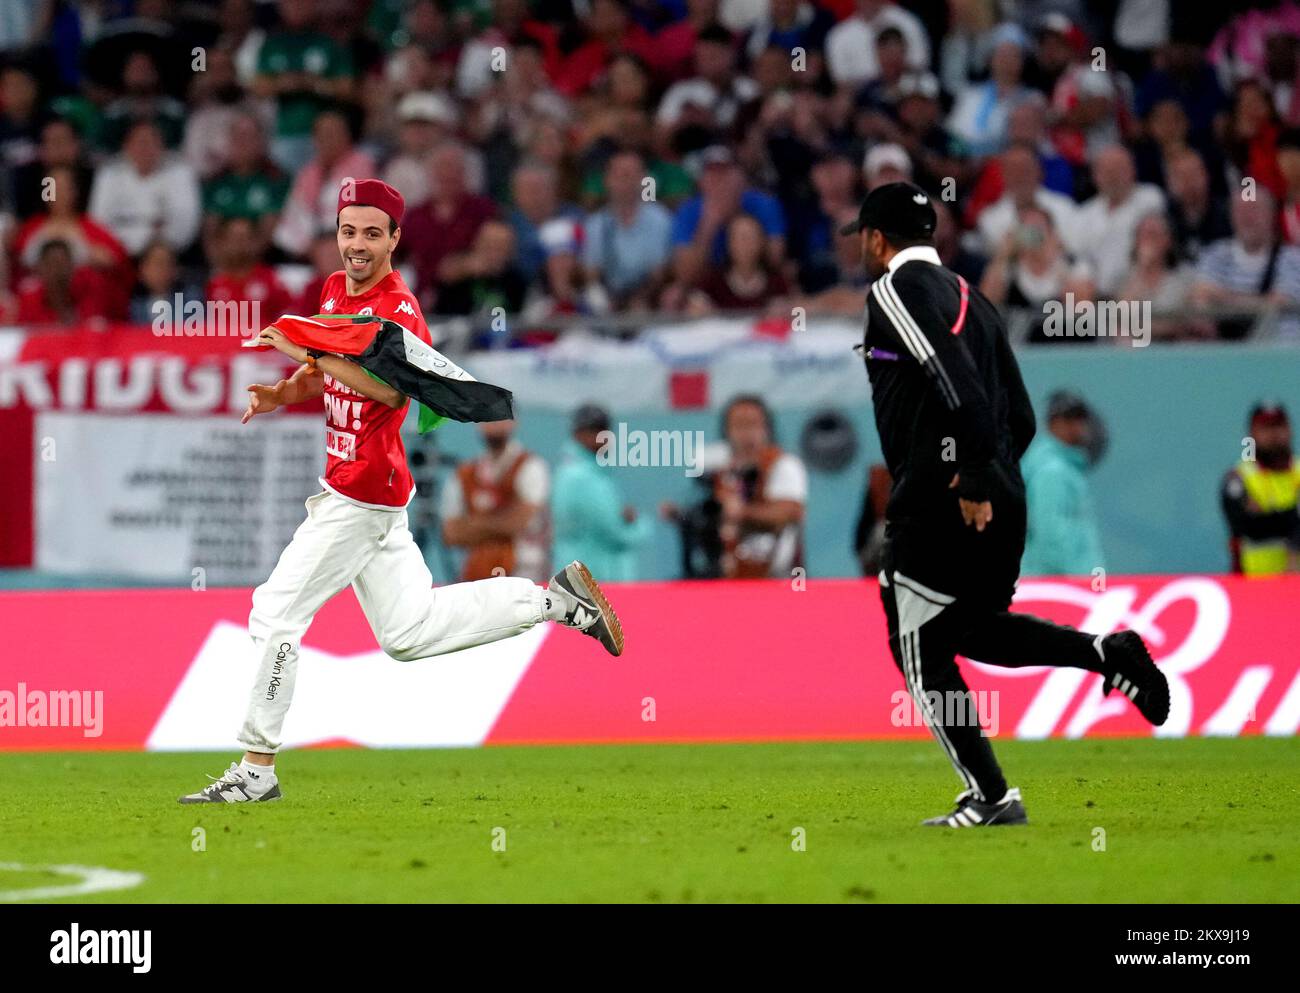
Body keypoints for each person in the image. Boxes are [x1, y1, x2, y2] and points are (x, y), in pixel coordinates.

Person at [178, 179, 624, 804]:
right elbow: (327, 371)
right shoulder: (335, 290)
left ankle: (256, 770)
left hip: (360, 495)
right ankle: (553, 602)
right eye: (347, 231)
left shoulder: (400, 310)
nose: (356, 245)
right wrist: (286, 391)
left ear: (393, 239)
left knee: (275, 613)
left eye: (370, 233)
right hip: (370, 491)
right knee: (408, 633)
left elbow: (388, 390)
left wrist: (307, 345)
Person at [850, 181, 1168, 827]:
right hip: (1000, 494)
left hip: (945, 496)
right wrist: (992, 479)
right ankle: (1105, 652)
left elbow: (952, 380)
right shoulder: (977, 298)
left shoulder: (892, 291)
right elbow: (1020, 416)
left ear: (876, 240)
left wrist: (967, 478)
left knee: (918, 646)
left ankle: (992, 796)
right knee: (967, 629)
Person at [441, 419, 551, 584]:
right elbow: (450, 534)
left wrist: (474, 524)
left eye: (500, 420)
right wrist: (500, 524)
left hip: (525, 574)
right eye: (488, 420)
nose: (494, 426)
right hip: (477, 575)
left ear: (513, 422)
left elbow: (517, 522)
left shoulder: (531, 466)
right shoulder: (465, 474)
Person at [552, 404, 650, 582]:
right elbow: (615, 532)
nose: (604, 437)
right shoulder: (583, 477)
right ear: (578, 434)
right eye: (595, 431)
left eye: (605, 430)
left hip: (577, 576)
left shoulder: (571, 472)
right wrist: (639, 525)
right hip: (595, 579)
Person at [1020, 391, 1107, 576]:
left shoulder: (1061, 467)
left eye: (1081, 419)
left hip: (1061, 587)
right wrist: (1082, 582)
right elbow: (1051, 535)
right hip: (1060, 588)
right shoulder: (1053, 472)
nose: (1082, 427)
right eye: (1074, 419)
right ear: (1056, 423)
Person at [1221, 403, 1300, 575]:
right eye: (1265, 428)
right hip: (1252, 587)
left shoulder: (1298, 472)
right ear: (1251, 434)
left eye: (1279, 426)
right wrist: (1293, 517)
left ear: (1290, 430)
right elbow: (1250, 527)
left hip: (1295, 587)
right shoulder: (1239, 478)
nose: (1274, 434)